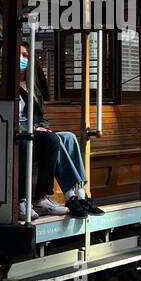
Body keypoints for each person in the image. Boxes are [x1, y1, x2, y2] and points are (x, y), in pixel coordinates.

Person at [17, 42, 102, 218]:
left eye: (25, 55)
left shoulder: (31, 87)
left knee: (69, 137)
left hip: (36, 134)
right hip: (21, 134)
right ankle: (69, 197)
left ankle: (80, 195)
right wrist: (36, 128)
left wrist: (43, 127)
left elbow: (42, 118)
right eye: (19, 55)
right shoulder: (8, 86)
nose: (22, 59)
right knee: (53, 140)